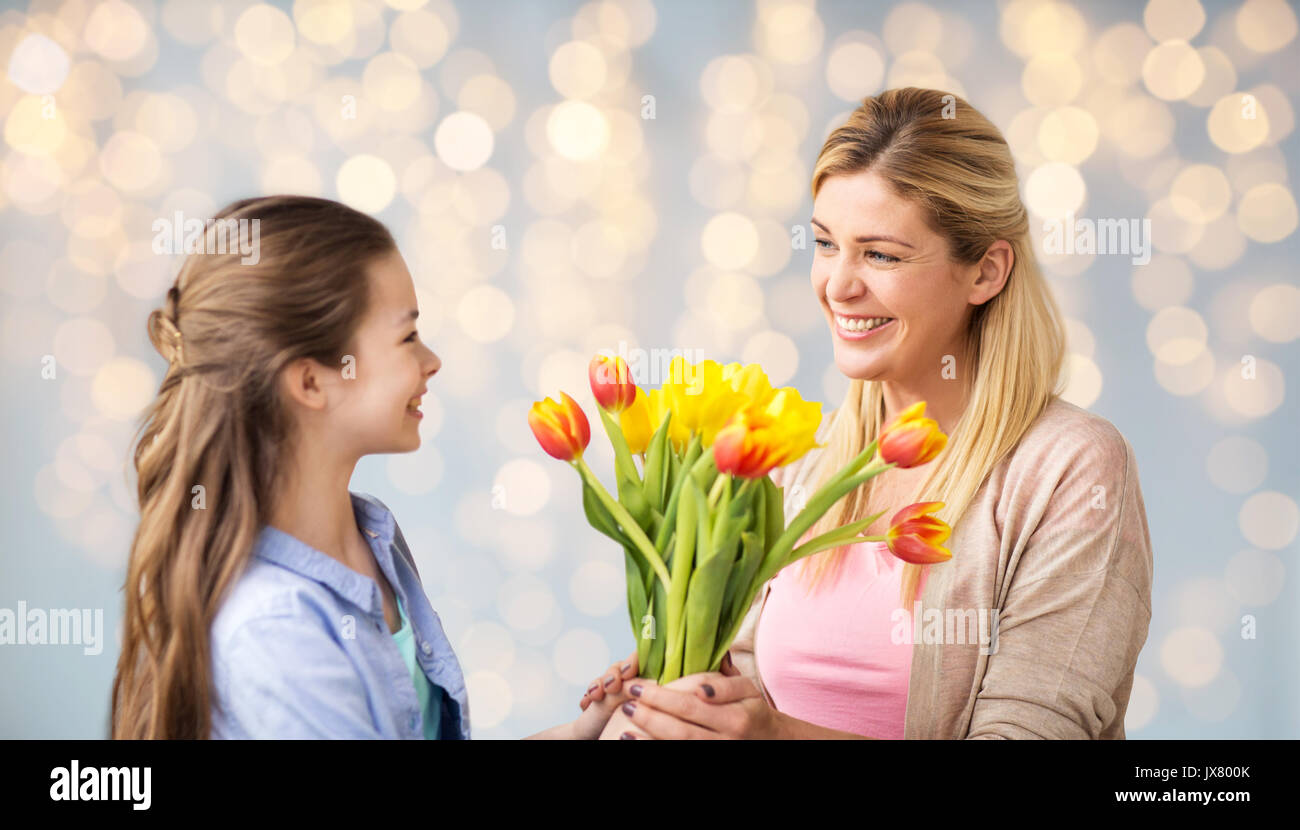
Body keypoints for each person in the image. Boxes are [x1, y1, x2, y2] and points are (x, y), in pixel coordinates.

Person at [580, 87, 1154, 740]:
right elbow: (746, 692)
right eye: (826, 244)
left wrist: (777, 737)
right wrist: (675, 698)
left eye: (881, 254)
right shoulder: (798, 461)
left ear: (986, 272)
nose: (838, 285)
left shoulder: (1070, 467)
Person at [110, 195, 621, 739]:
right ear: (311, 382)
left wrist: (583, 734)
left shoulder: (373, 536)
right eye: (408, 337)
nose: (432, 361)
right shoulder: (276, 629)